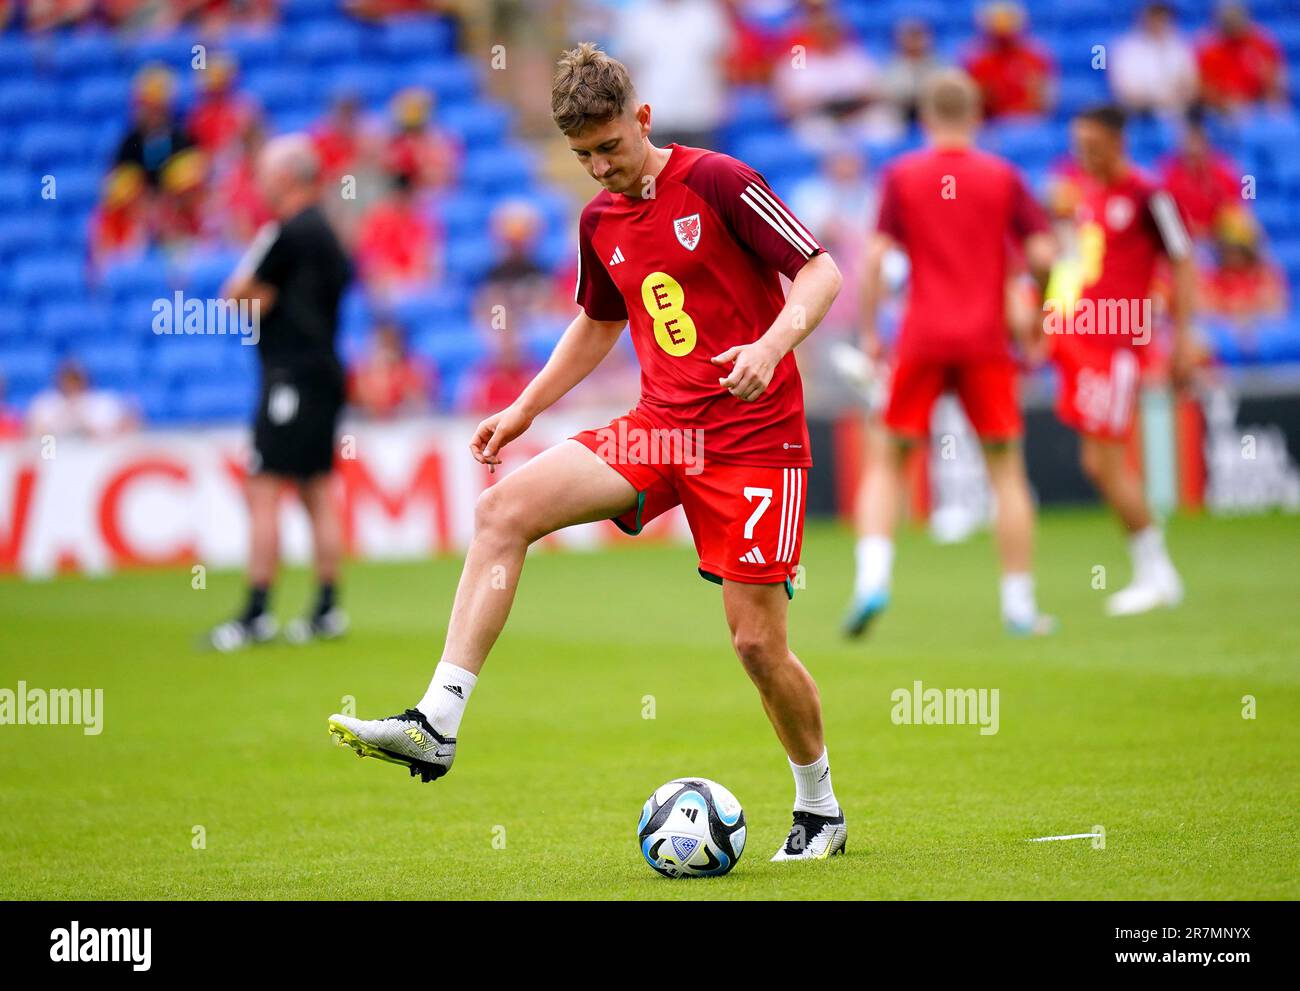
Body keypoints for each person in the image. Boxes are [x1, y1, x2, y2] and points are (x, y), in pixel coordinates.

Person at [329, 43, 850, 863]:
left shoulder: (719, 180)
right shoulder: (599, 219)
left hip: (755, 438)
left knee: (755, 643)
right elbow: (599, 322)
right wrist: (522, 407)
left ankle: (819, 807)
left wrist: (770, 343)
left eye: (610, 146)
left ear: (642, 119)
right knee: (502, 510)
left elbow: (820, 270)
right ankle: (438, 718)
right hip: (661, 427)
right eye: (582, 156)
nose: (600, 167)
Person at [845, 70, 1056, 639]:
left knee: (888, 463)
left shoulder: (903, 175)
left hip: (922, 337)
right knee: (1006, 472)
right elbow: (1040, 253)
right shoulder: (1004, 176)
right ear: (977, 116)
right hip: (986, 339)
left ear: (926, 118)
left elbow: (873, 261)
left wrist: (869, 329)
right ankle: (1018, 606)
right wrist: (1035, 316)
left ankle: (872, 581)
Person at [206, 135, 353, 651]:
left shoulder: (285, 233)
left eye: (266, 172)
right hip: (326, 371)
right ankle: (327, 608)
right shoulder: (331, 236)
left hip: (289, 375)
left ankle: (256, 612)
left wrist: (258, 297)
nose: (260, 182)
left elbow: (238, 297)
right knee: (315, 489)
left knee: (264, 485)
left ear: (288, 176)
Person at [1051, 105, 1195, 616]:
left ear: (1116, 142)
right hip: (1086, 342)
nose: (1083, 153)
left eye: (1092, 143)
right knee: (1099, 462)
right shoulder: (1089, 199)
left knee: (1106, 462)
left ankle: (1159, 575)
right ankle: (1154, 572)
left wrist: (1183, 337)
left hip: (1117, 346)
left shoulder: (1147, 193)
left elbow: (1182, 258)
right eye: (1079, 143)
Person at [1110, 2, 1199, 117]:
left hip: (1179, 111)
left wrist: (1179, 98)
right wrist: (1157, 101)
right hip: (1141, 114)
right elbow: (1125, 91)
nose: (1158, 24)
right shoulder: (1125, 49)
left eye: (1163, 20)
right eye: (1154, 19)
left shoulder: (1180, 46)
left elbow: (1191, 84)